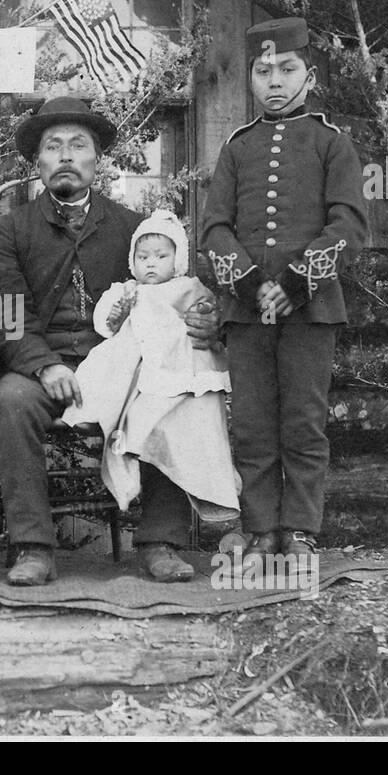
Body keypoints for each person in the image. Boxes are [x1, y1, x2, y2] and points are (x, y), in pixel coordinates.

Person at [0, 96, 219, 586]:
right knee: (10, 400)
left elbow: (171, 295)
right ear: (39, 161)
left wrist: (201, 316)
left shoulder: (135, 230)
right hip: (42, 369)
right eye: (53, 146)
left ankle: (160, 541)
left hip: (120, 366)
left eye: (78, 145)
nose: (66, 155)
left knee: (171, 392)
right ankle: (32, 546)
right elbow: (6, 316)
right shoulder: (10, 230)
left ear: (97, 160)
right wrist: (44, 365)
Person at [200, 16, 370, 559]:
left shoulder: (333, 144)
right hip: (246, 311)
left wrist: (297, 281)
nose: (274, 81)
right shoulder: (237, 147)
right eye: (263, 70)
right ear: (250, 78)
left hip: (311, 309)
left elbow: (349, 225)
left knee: (302, 421)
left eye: (287, 69)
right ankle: (261, 528)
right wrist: (250, 285)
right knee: (251, 424)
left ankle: (299, 529)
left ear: (309, 76)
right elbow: (213, 229)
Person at [61, 210, 240, 564]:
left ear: (179, 260)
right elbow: (106, 324)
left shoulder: (187, 287)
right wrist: (119, 312)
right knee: (117, 385)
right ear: (132, 262)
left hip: (175, 369)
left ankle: (168, 528)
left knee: (184, 410)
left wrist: (205, 312)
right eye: (143, 257)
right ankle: (122, 427)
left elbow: (207, 314)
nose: (152, 265)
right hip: (132, 367)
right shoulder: (128, 290)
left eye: (162, 256)